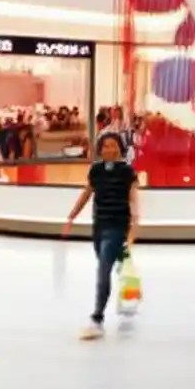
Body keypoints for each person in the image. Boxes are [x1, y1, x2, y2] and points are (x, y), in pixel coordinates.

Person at [63, 133, 140, 340]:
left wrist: (134, 226)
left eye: (113, 146)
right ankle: (127, 295)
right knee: (107, 265)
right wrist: (71, 216)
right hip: (99, 225)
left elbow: (134, 200)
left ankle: (97, 317)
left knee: (103, 268)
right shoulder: (96, 171)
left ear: (120, 148)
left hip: (118, 226)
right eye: (105, 146)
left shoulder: (127, 172)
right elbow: (87, 193)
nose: (109, 150)